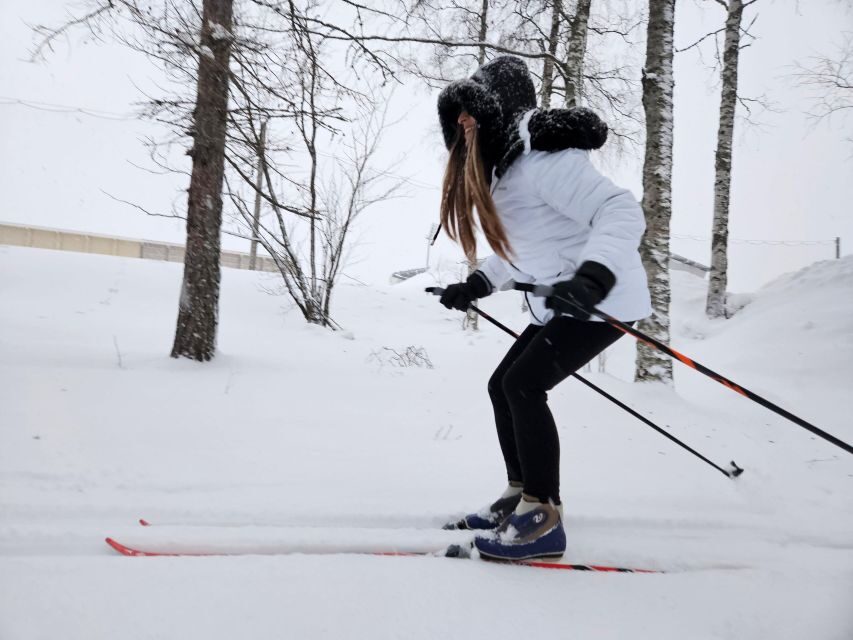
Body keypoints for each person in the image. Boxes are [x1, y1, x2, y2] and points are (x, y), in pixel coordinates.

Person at [432, 55, 652, 561]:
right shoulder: (503, 172)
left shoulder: (543, 160)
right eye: (457, 116)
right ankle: (519, 494)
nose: (464, 123)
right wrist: (479, 283)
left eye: (473, 112)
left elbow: (618, 209)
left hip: (602, 301)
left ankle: (542, 518)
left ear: (498, 108)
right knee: (502, 385)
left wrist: (593, 275)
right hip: (562, 304)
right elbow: (525, 248)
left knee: (522, 385)